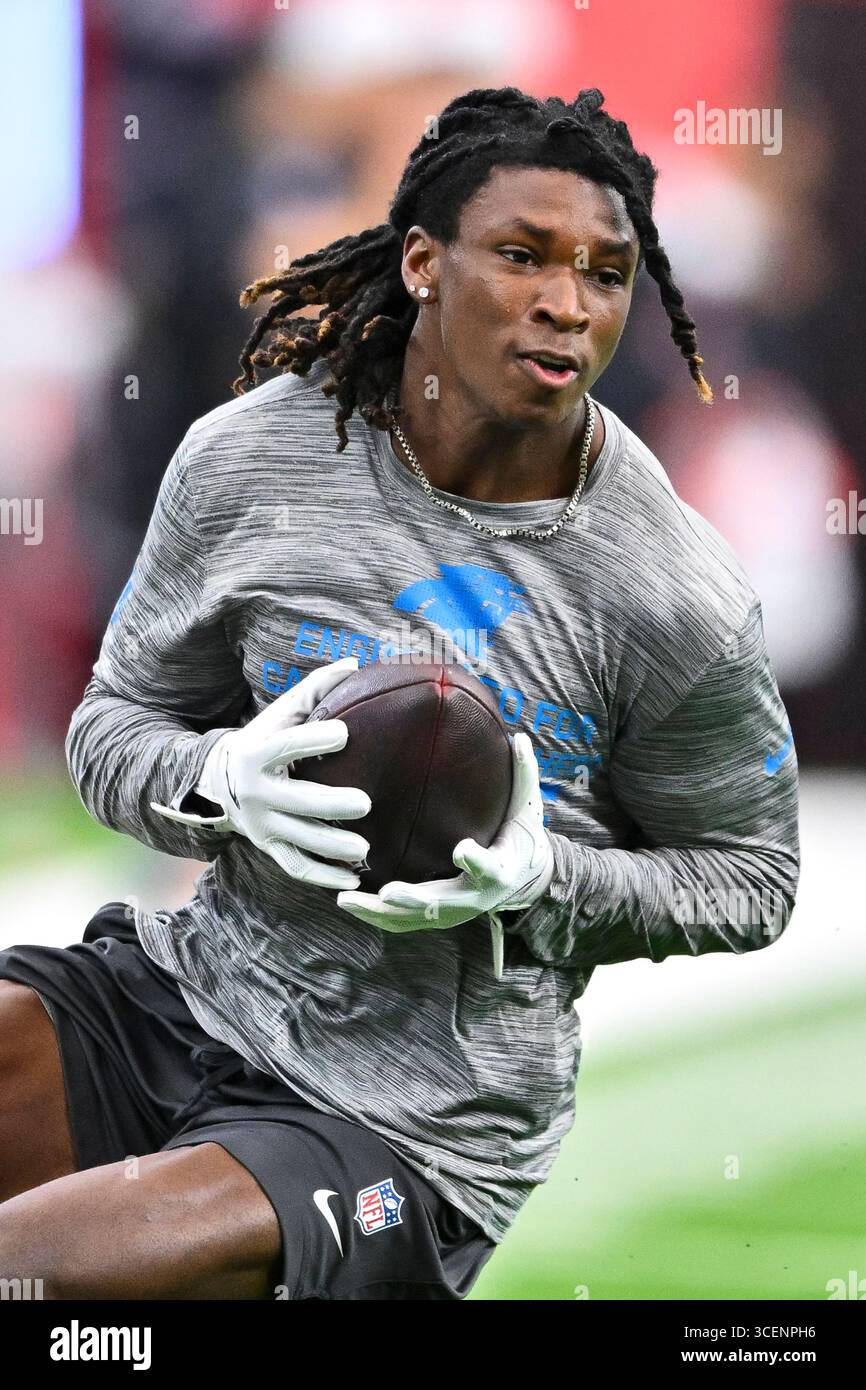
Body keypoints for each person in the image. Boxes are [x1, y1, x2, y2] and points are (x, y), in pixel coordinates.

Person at [0, 86, 799, 1301]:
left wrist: (546, 883)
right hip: (190, 989)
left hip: (410, 1120)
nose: (565, 304)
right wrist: (218, 783)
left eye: (604, 271)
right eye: (523, 256)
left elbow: (753, 877)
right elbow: (110, 725)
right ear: (422, 261)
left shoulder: (669, 585)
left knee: (32, 1279)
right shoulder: (250, 457)